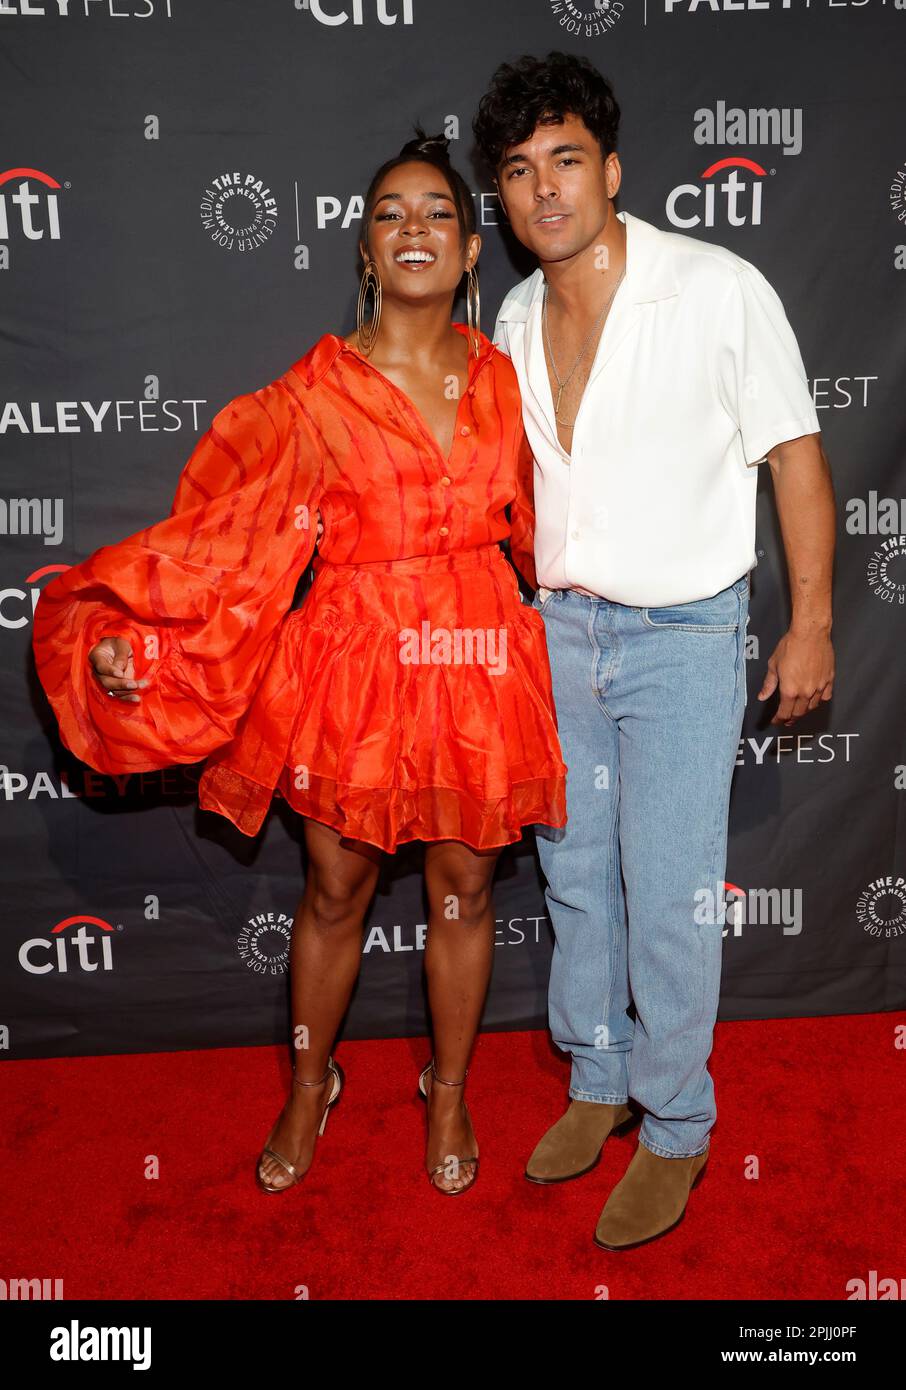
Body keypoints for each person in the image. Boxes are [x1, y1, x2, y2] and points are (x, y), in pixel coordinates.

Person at [31, 129, 567, 1198]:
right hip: (354, 667)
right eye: (390, 214)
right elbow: (221, 534)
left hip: (474, 658)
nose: (415, 228)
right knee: (334, 891)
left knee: (464, 889)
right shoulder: (310, 394)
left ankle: (449, 1087)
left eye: (438, 214)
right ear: (366, 252)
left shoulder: (514, 381)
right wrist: (144, 640)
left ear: (470, 254)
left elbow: (545, 527)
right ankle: (308, 1081)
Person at [473, 53, 835, 1247]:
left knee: (671, 893)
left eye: (566, 161)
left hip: (685, 632)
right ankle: (599, 1079)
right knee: (576, 877)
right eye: (520, 173)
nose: (546, 191)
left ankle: (677, 1123)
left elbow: (794, 453)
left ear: (612, 169)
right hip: (556, 630)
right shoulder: (514, 312)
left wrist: (814, 622)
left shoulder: (718, 285)